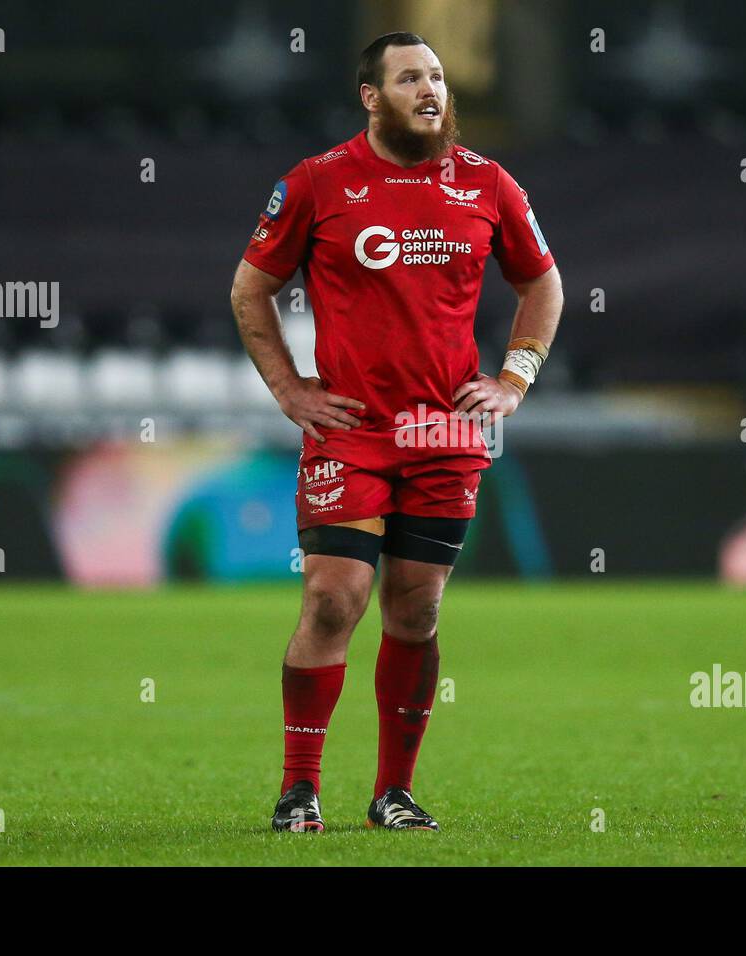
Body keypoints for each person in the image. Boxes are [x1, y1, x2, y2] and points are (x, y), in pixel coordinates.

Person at [230, 31, 563, 832]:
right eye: (411, 77)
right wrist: (289, 390)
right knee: (332, 599)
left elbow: (543, 286)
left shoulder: (487, 183)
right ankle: (299, 789)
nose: (431, 90)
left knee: (415, 611)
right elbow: (251, 291)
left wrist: (513, 379)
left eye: (439, 78)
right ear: (371, 97)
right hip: (351, 431)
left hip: (444, 433)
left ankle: (393, 794)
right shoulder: (317, 183)